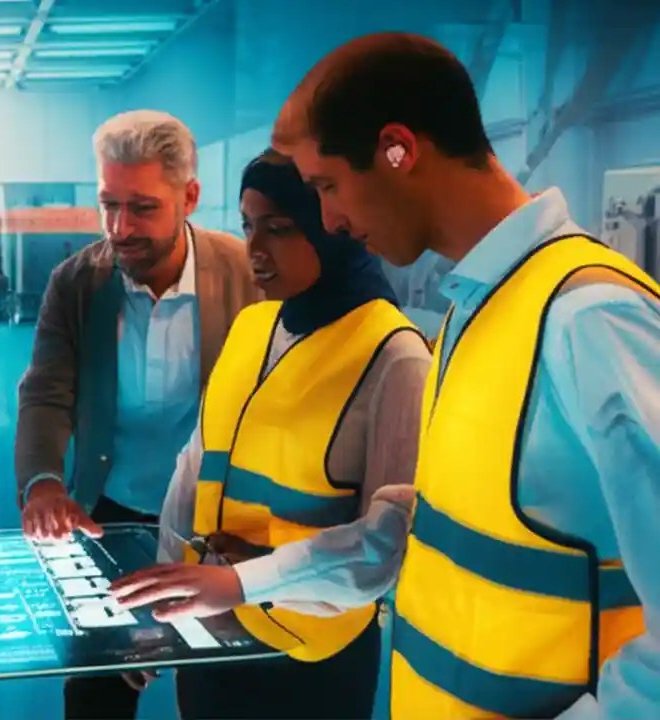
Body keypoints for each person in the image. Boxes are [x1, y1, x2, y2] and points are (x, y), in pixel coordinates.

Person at [112, 31, 660, 719]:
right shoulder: (479, 313)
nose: (333, 220)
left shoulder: (591, 318)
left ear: (398, 150)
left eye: (328, 187)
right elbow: (399, 535)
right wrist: (240, 584)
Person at [115, 149, 430, 719]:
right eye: (247, 226)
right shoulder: (255, 325)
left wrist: (239, 582)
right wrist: (161, 607)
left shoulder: (394, 355)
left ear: (332, 227)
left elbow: (383, 549)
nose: (255, 249)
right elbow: (193, 472)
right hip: (215, 642)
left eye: (279, 228)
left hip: (310, 663)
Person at [15, 109, 260, 719]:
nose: (120, 228)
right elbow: (47, 392)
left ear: (191, 196)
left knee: (216, 689)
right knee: (98, 690)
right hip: (112, 514)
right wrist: (44, 482)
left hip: (215, 522)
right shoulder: (77, 283)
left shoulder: (248, 276)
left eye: (142, 208)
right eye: (109, 205)